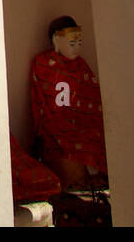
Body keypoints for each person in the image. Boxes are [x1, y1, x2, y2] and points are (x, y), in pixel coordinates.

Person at [29, 16, 107, 190]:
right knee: (67, 142)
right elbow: (45, 104)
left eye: (79, 42)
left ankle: (96, 179)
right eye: (72, 43)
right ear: (57, 41)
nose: (77, 48)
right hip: (58, 125)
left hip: (82, 124)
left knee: (99, 135)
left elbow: (92, 98)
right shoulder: (44, 64)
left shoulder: (81, 65)